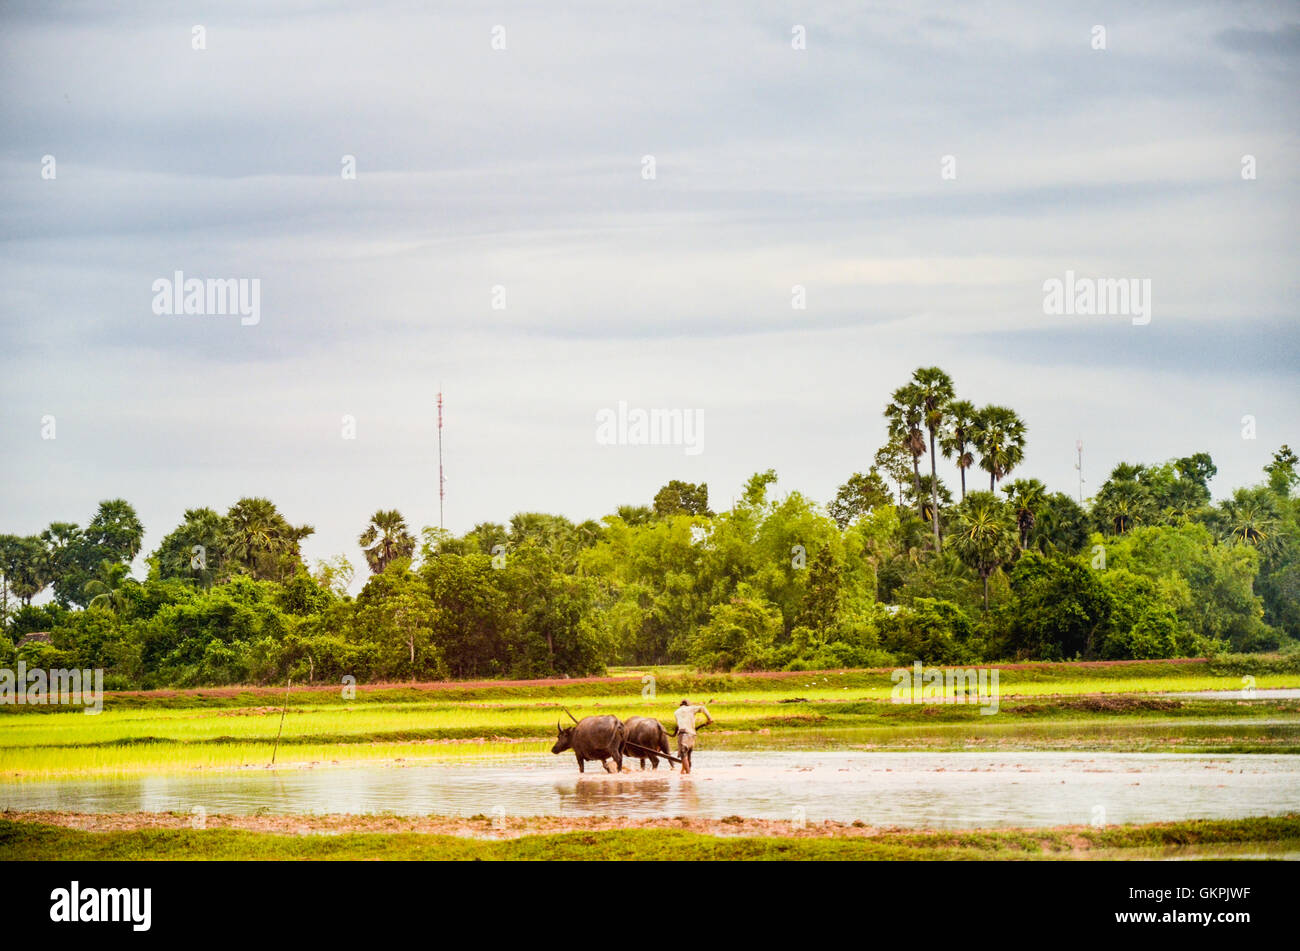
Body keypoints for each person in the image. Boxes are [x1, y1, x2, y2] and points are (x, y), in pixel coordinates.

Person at [673, 699, 712, 774]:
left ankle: (688, 774)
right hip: (692, 735)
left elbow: (678, 725)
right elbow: (703, 708)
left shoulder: (676, 712)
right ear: (688, 704)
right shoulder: (691, 708)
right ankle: (685, 772)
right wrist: (709, 719)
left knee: (683, 755)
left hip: (683, 734)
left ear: (681, 705)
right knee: (688, 755)